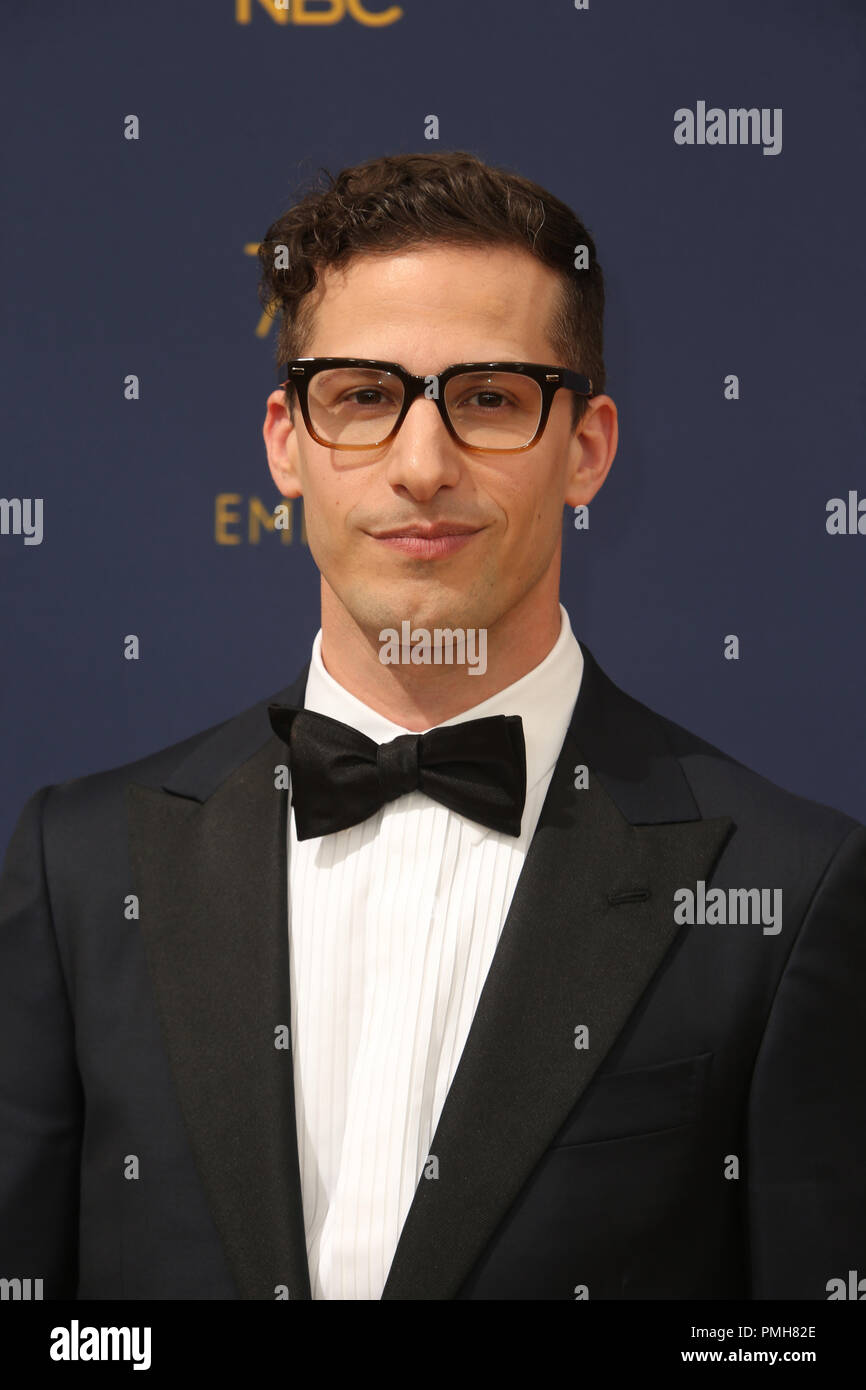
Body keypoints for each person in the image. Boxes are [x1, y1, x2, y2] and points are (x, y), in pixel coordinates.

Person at [1, 150, 863, 1302]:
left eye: (488, 399)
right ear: (285, 442)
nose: (420, 465)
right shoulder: (79, 863)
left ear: (587, 449)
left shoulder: (788, 889)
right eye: (362, 395)